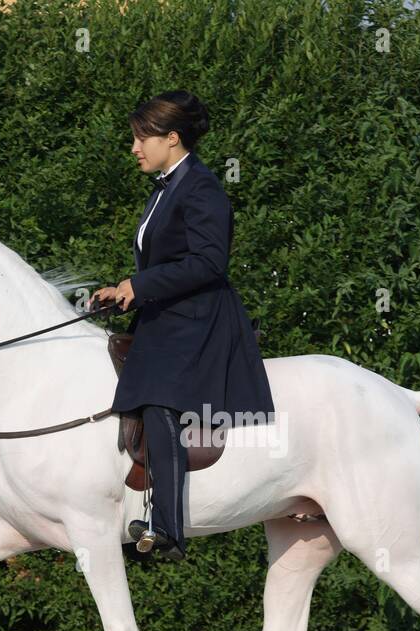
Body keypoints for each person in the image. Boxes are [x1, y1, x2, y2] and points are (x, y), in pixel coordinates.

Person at [93, 91, 275, 562]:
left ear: (172, 139)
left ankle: (166, 529)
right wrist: (125, 289)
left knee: (157, 401)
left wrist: (142, 283)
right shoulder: (167, 187)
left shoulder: (202, 187)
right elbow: (168, 261)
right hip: (166, 314)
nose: (134, 148)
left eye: (141, 138)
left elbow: (210, 262)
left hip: (198, 319)